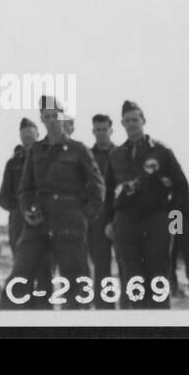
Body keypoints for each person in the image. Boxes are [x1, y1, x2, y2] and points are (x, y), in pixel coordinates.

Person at [0, 97, 104, 310]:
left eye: (54, 116)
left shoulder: (78, 149)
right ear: (42, 119)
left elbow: (98, 187)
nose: (51, 121)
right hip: (38, 222)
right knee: (19, 277)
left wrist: (83, 216)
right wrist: (28, 210)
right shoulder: (36, 151)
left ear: (62, 116)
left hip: (69, 223)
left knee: (75, 283)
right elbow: (25, 189)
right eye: (46, 117)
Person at [104, 100, 189, 310]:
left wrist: (175, 225)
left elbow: (181, 187)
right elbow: (107, 193)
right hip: (126, 224)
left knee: (158, 280)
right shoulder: (115, 155)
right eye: (127, 121)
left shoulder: (161, 151)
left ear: (143, 121)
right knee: (133, 280)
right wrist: (108, 222)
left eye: (135, 119)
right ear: (122, 124)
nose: (132, 124)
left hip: (157, 222)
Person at [87, 113, 117, 308]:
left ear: (111, 130)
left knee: (126, 264)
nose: (101, 133)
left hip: (120, 215)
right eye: (97, 130)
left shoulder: (121, 153)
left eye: (104, 130)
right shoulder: (87, 156)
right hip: (97, 218)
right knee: (101, 267)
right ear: (93, 131)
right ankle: (104, 311)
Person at [0, 118, 38, 253]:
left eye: (30, 132)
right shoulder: (13, 163)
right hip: (19, 221)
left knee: (45, 264)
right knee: (20, 262)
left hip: (43, 216)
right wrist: (19, 208)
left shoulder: (47, 158)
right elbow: (3, 197)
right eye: (24, 133)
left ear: (37, 135)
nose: (27, 136)